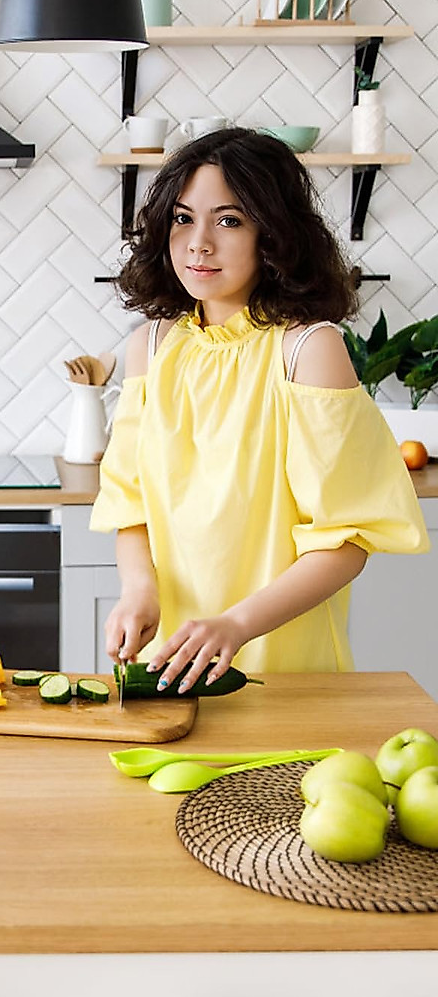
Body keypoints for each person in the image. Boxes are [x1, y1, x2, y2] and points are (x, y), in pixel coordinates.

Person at [91, 127, 427, 693]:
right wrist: (139, 591)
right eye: (182, 218)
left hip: (285, 670)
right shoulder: (150, 347)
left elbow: (344, 541)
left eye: (229, 221)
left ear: (272, 234)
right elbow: (131, 504)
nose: (199, 243)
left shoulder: (308, 349)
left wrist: (236, 626)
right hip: (168, 665)